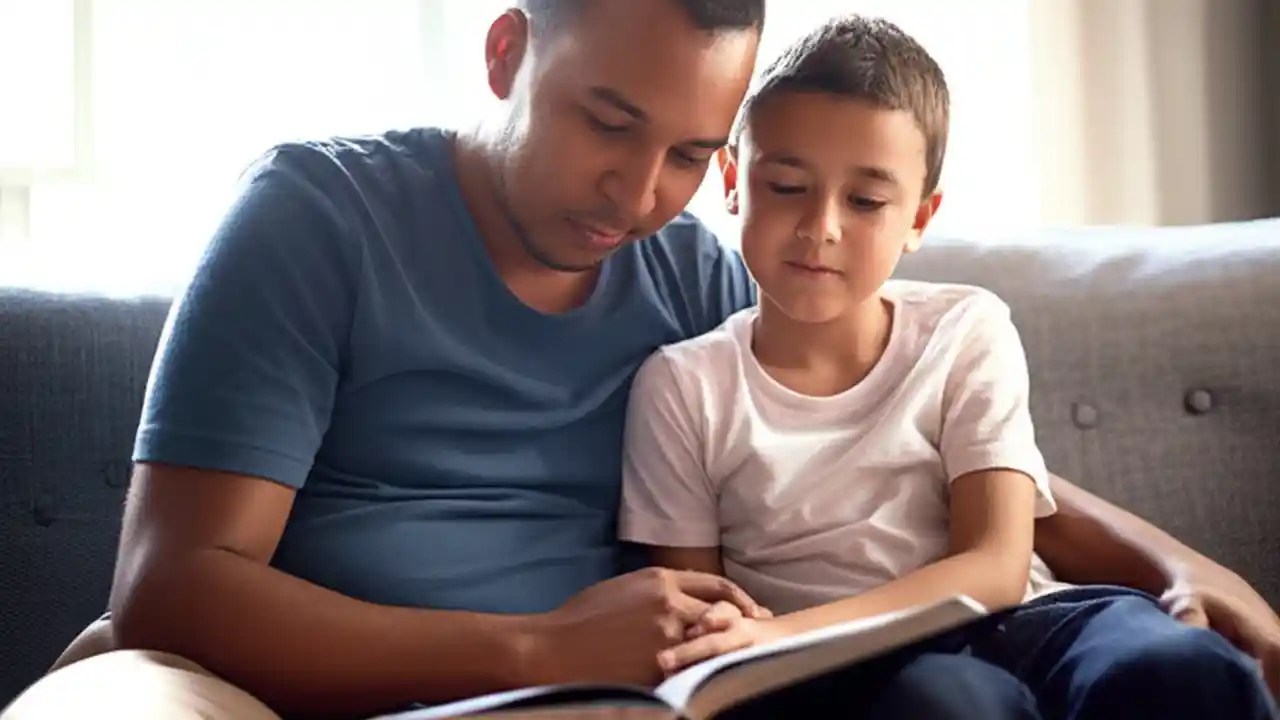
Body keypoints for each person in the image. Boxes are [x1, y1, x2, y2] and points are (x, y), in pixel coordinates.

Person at [2, 1, 1276, 719]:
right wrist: (539, 649)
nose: (637, 189)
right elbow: (173, 587)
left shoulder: (685, 270)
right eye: (604, 123)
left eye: (686, 153)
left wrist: (1179, 564)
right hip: (320, 691)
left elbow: (918, 453)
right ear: (506, 55)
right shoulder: (315, 218)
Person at [617, 14, 1278, 720]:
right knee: (952, 705)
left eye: (866, 200)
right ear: (733, 181)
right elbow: (706, 624)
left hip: (1033, 620)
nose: (822, 227)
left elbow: (995, 566)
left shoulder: (965, 329)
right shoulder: (682, 387)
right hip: (852, 667)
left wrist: (777, 629)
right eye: (786, 186)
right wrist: (764, 641)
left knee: (1179, 668)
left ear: (920, 217)